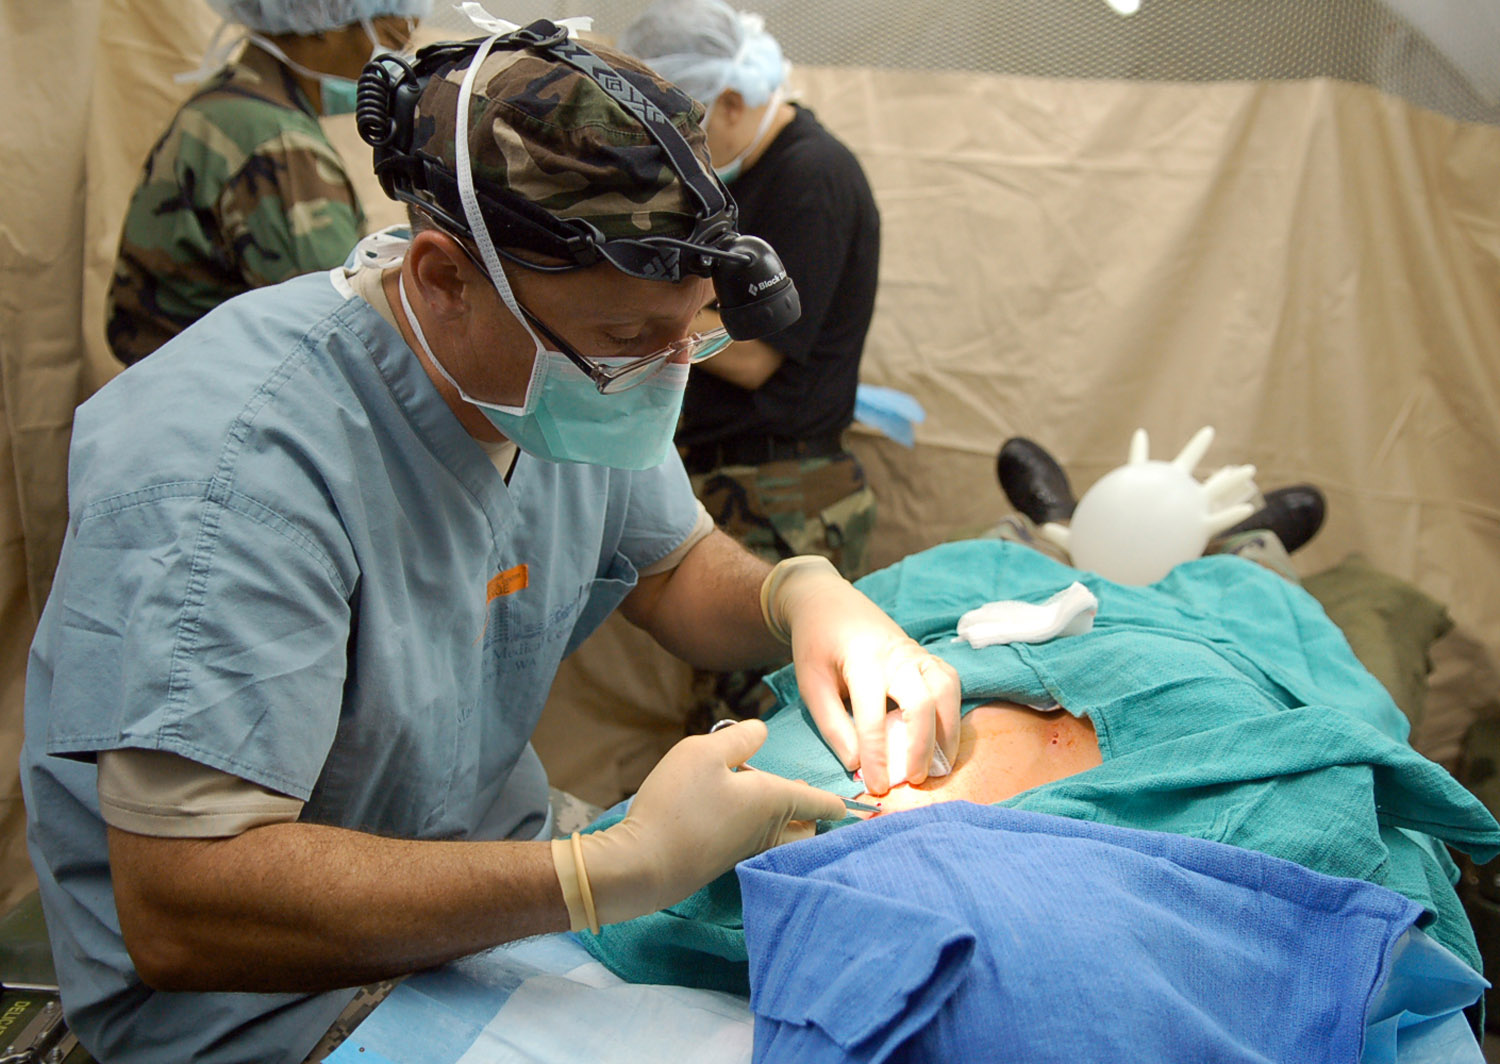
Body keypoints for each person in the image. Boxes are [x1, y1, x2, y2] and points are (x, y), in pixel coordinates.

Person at [22, 22, 960, 1064]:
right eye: (627, 342)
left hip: (481, 910)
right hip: (266, 1007)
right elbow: (185, 902)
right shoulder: (234, 468)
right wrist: (599, 873)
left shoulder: (553, 384)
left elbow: (674, 565)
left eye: (685, 330)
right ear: (442, 279)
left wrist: (799, 594)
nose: (663, 372)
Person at [618, 0, 881, 580]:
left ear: (731, 103)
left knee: (776, 673)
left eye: (685, 129)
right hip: (726, 478)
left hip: (784, 498)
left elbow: (754, 353)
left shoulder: (811, 177)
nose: (673, 152)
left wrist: (627, 315)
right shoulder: (738, 178)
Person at [104, 0, 430, 366]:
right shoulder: (279, 146)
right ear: (322, 24)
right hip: (217, 389)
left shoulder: (230, 101)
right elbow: (346, 331)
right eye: (389, 36)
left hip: (173, 381)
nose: (397, 60)